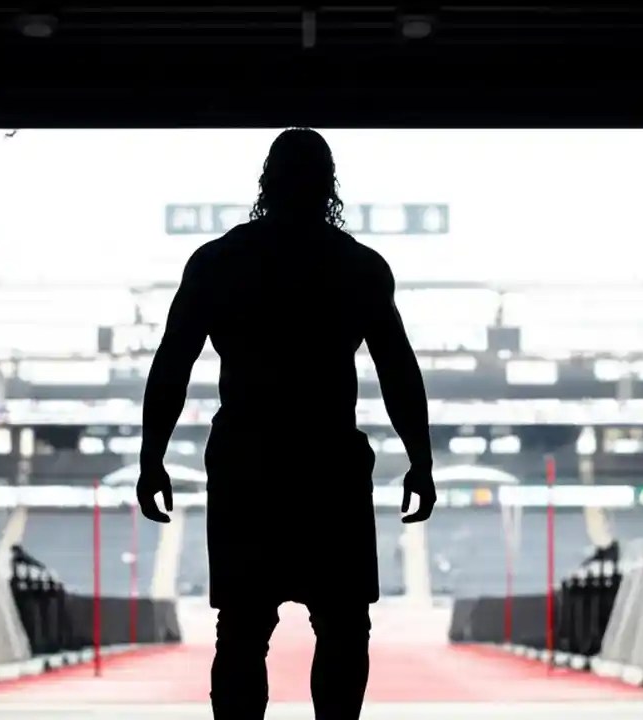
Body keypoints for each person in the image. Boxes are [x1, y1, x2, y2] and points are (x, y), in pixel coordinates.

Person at [136, 127, 436, 720]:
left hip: (247, 460)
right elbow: (398, 370)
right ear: (331, 188)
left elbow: (172, 362)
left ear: (264, 184)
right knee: (345, 625)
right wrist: (420, 460)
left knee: (242, 630)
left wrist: (153, 458)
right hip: (329, 463)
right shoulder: (358, 267)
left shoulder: (219, 262)